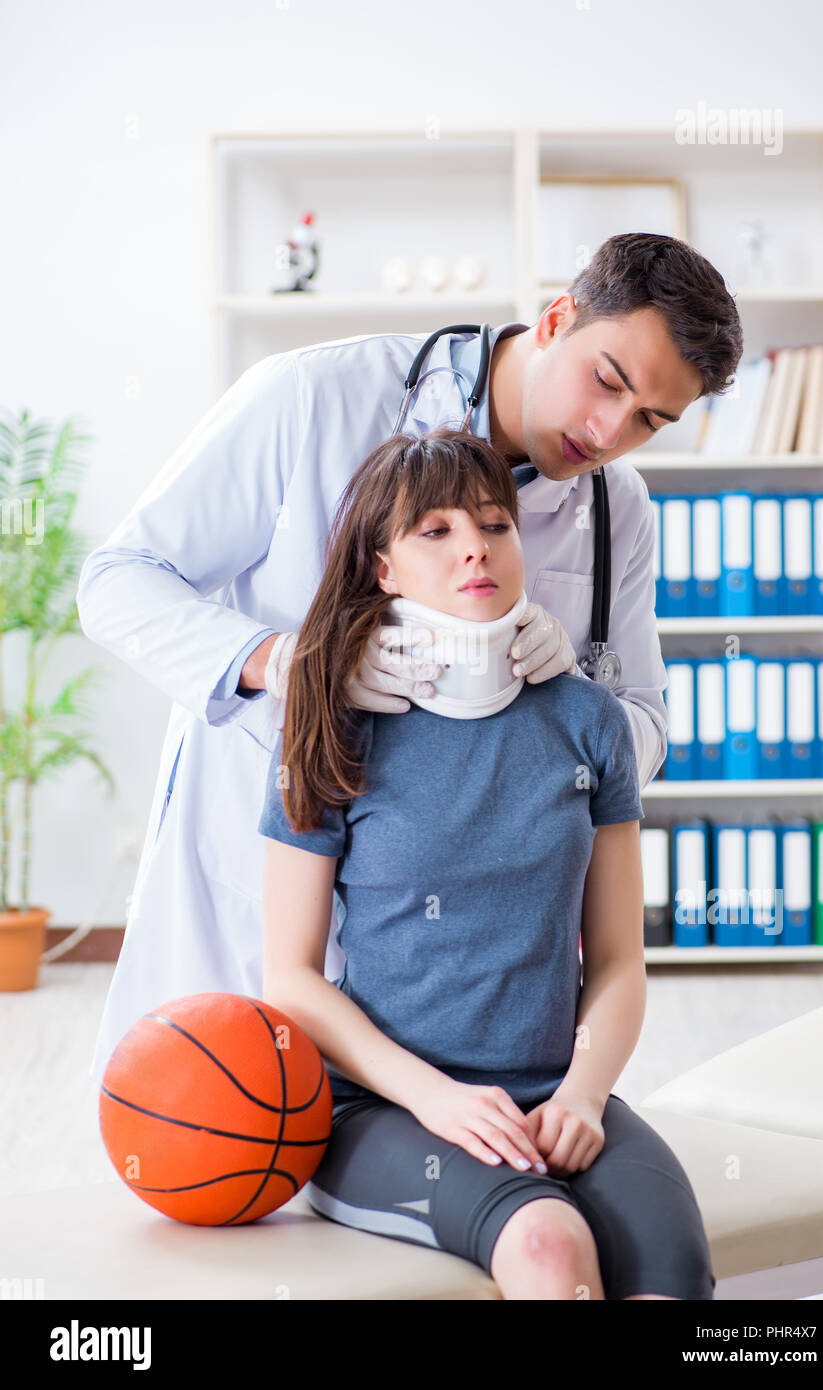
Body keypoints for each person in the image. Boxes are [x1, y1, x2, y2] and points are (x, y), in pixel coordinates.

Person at [78, 231, 742, 1083]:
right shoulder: (313, 398)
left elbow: (642, 728)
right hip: (259, 894)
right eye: (607, 380)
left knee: (419, 1194)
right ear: (556, 318)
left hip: (459, 967)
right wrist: (290, 663)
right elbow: (118, 579)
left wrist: (571, 697)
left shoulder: (618, 511)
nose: (609, 430)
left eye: (651, 419)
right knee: (213, 1164)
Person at [258, 426, 717, 1301]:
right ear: (382, 569)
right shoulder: (331, 725)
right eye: (433, 531)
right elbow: (289, 977)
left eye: (491, 524)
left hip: (553, 1090)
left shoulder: (588, 722)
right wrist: (435, 1098)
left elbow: (618, 959)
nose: (473, 545)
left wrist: (582, 1095)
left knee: (670, 1276)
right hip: (385, 1109)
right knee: (547, 1244)